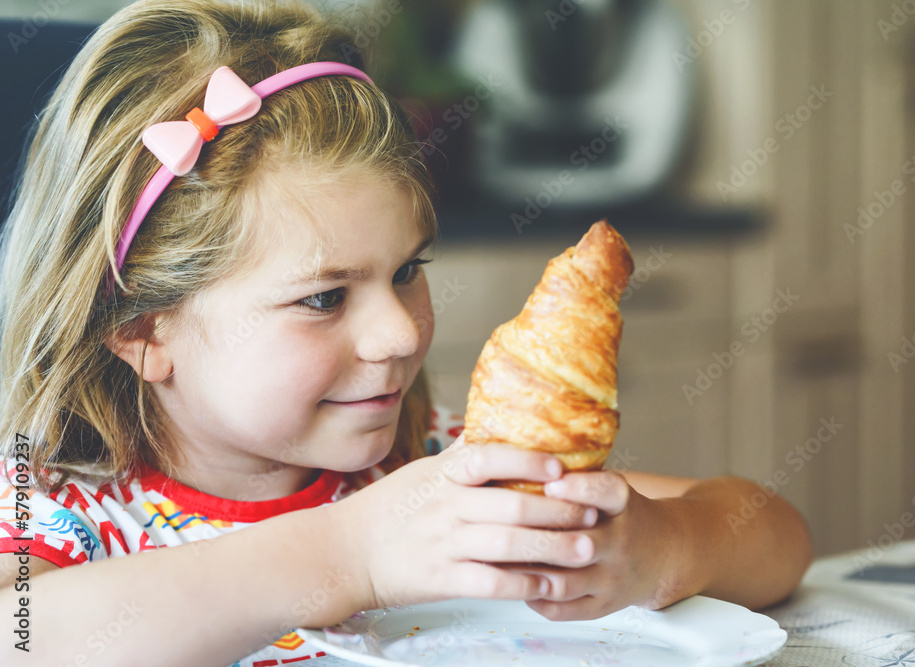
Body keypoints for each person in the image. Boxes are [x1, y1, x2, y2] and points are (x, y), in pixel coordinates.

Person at [0, 0, 813, 664]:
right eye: (322, 297)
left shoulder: (433, 470)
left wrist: (662, 545)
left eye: (406, 271)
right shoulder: (60, 500)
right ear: (144, 331)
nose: (398, 332)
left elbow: (773, 533)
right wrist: (348, 557)